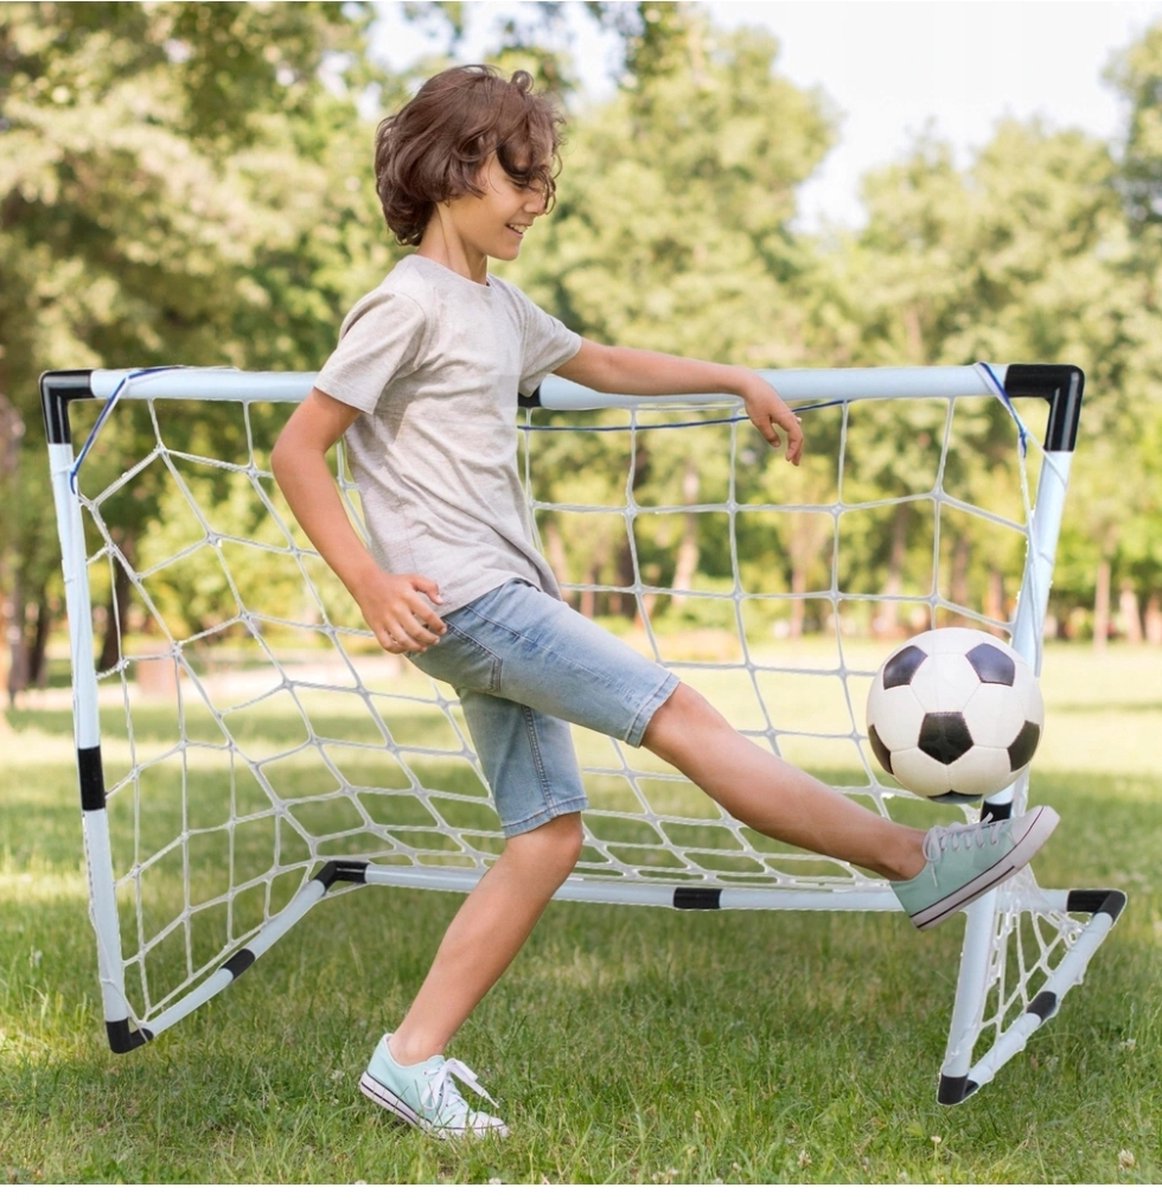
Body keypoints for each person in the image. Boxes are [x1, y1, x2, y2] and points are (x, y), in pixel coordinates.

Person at [270, 64, 1059, 1140]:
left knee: (546, 839)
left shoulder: (496, 305)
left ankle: (408, 1059)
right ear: (452, 171)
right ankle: (913, 862)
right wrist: (367, 581)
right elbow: (299, 448)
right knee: (682, 716)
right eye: (518, 178)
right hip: (470, 599)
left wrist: (734, 377)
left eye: (541, 182)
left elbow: (599, 360)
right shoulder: (405, 302)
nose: (535, 201)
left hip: (490, 603)